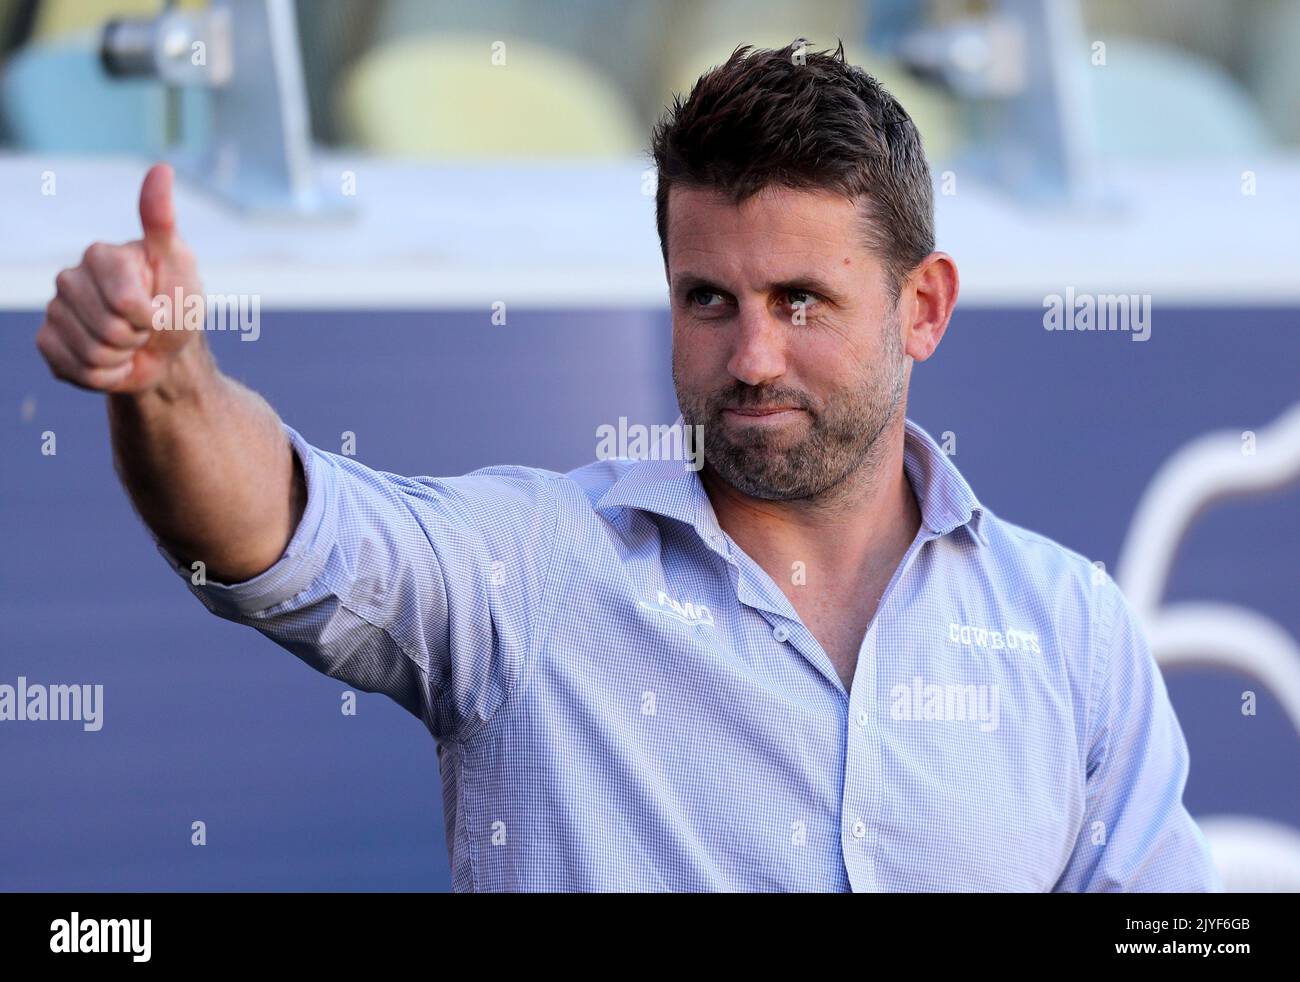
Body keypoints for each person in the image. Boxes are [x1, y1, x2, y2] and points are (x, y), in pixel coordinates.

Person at [33, 40, 1221, 892]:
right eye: (708, 299)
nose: (749, 356)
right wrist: (172, 383)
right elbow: (281, 531)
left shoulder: (1070, 629)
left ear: (924, 306)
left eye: (800, 300)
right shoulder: (535, 570)